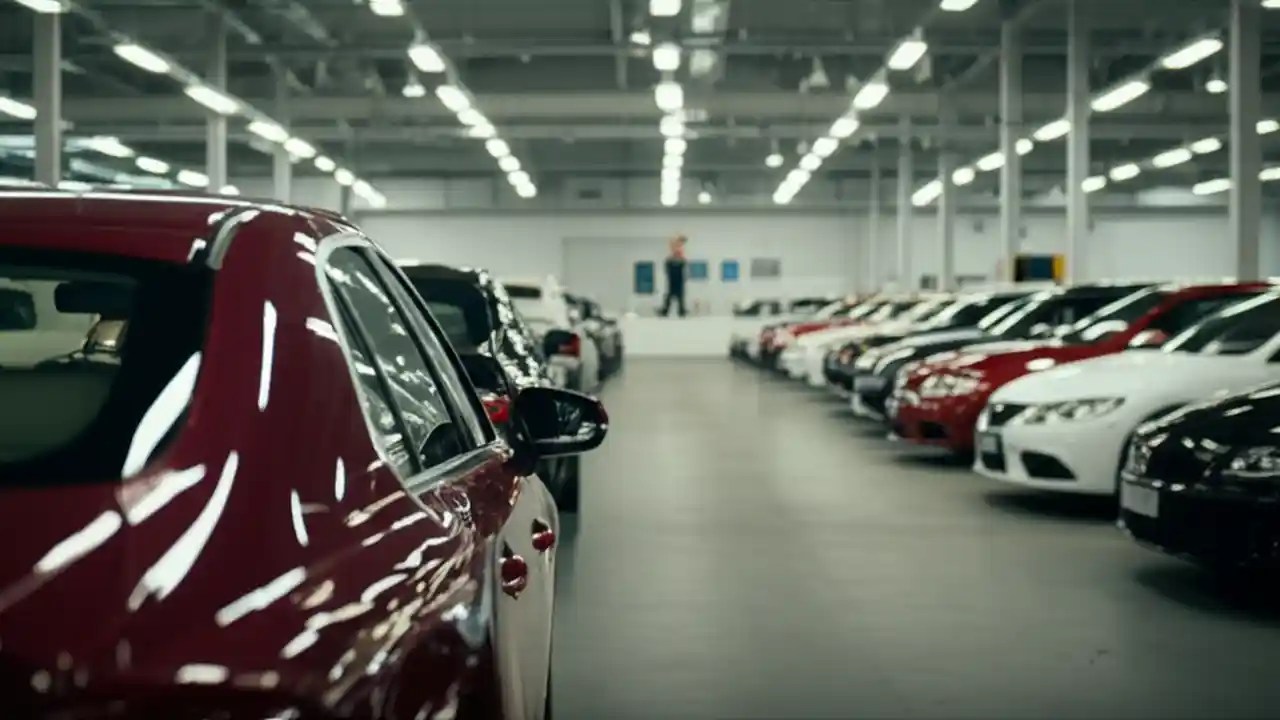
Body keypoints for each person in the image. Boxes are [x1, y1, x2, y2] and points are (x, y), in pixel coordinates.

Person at [660, 234, 688, 317]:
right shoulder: (670, 262)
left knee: (680, 298)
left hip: (678, 282)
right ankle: (665, 312)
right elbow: (668, 264)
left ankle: (681, 312)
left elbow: (683, 262)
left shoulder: (681, 262)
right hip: (672, 282)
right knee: (669, 298)